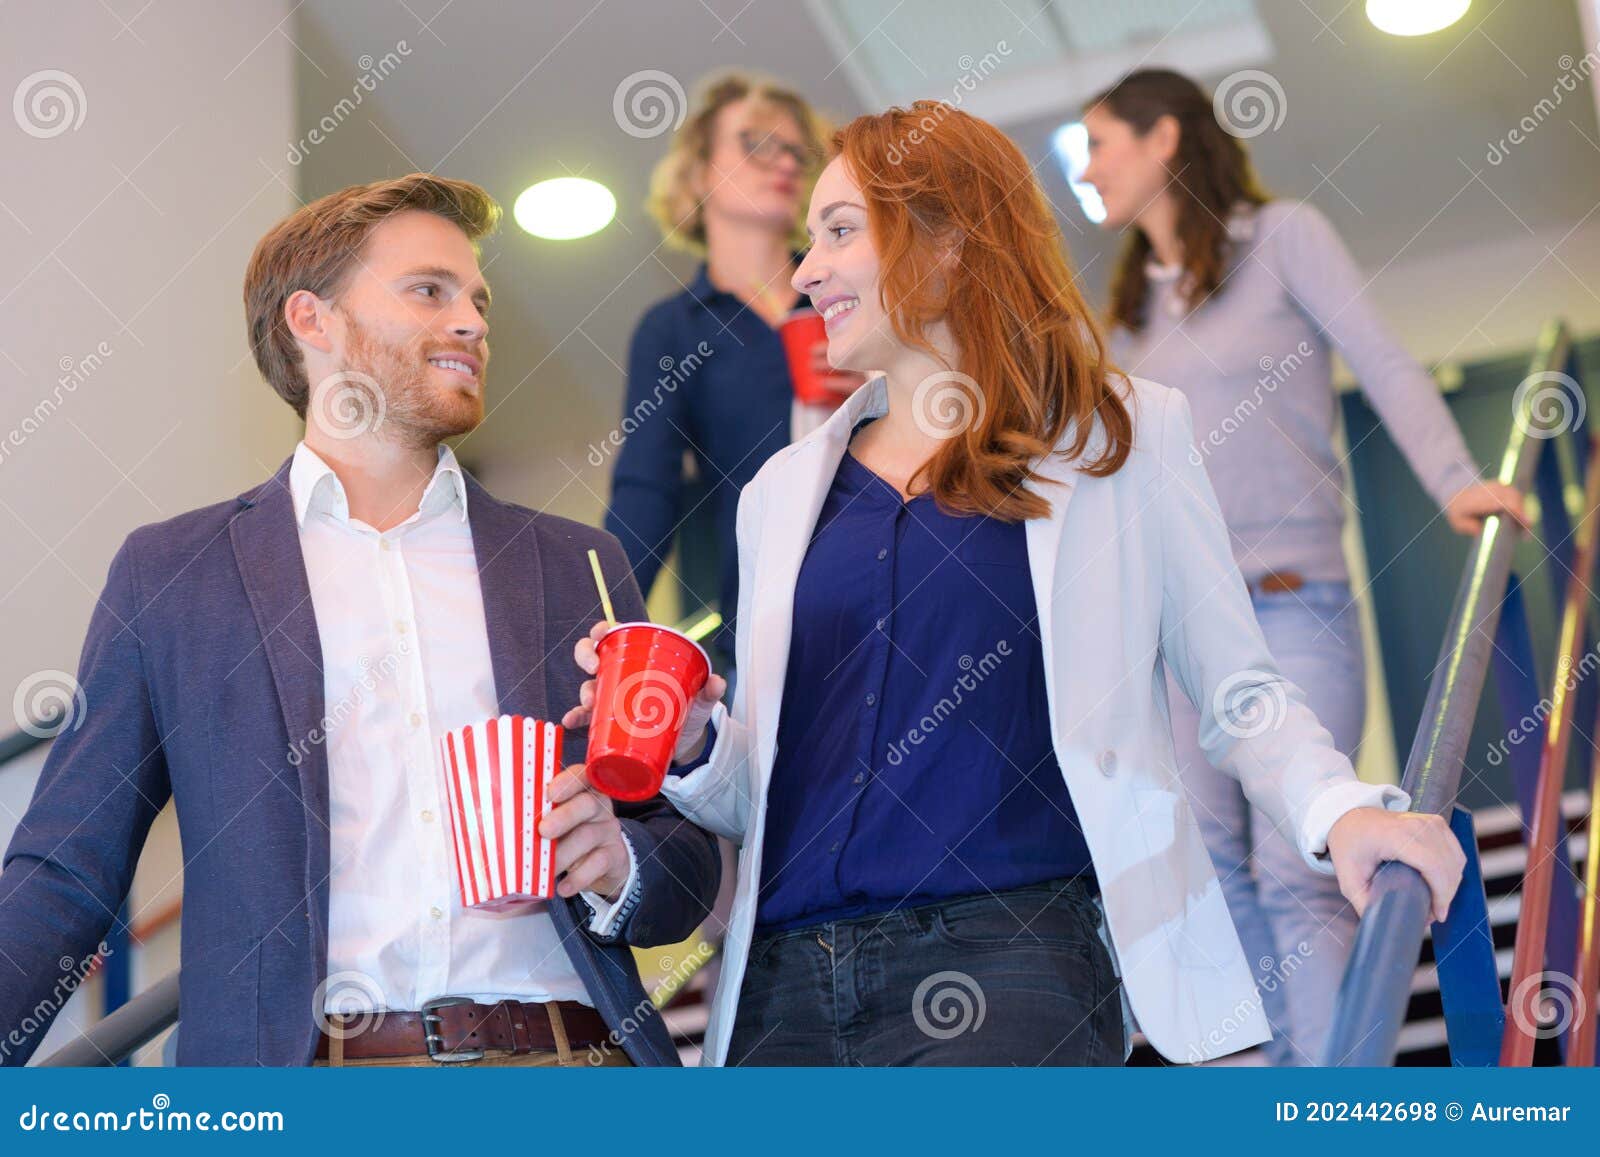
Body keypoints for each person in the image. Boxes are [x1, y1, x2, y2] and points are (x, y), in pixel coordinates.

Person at [563, 103, 1467, 1067]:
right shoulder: (782, 492)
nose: (803, 271)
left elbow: (1239, 689)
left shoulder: (1118, 436)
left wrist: (1344, 809)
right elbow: (769, 788)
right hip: (782, 990)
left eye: (839, 232)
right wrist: (702, 736)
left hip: (1011, 962)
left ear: (948, 238)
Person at [0, 174, 720, 1067]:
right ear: (313, 321)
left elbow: (682, 853)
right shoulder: (174, 576)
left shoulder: (576, 565)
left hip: (576, 1065)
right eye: (430, 290)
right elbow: (67, 870)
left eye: (477, 299)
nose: (472, 321)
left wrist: (618, 861)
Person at [1078, 68, 1526, 1065]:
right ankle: (1270, 1096)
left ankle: (1331, 1100)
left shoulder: (1283, 238)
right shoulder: (1125, 319)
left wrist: (1456, 479)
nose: (1089, 167)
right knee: (1213, 871)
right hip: (1174, 640)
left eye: (1100, 141)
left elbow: (1382, 357)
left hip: (1292, 602)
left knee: (1296, 859)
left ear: (1160, 141)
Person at [604, 71, 861, 675]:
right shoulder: (673, 329)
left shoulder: (853, 283)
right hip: (763, 618)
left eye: (796, 150)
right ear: (697, 174)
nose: (784, 162)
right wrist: (594, 618)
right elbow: (647, 493)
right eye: (754, 142)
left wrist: (884, 387)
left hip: (888, 582)